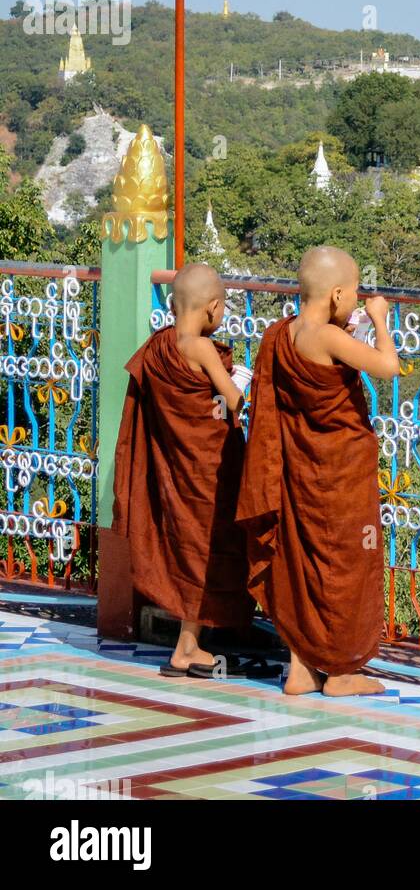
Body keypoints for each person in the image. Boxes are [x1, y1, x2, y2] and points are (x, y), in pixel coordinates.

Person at [236, 246, 399, 696]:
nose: (357, 301)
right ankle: (341, 670)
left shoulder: (279, 334)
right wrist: (380, 319)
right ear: (337, 294)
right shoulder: (328, 338)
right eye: (355, 294)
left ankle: (302, 668)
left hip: (298, 471)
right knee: (344, 564)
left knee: (300, 560)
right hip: (340, 474)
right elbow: (388, 367)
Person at [113, 262, 251, 677]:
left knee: (190, 545)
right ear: (212, 308)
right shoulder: (203, 348)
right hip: (208, 469)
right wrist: (242, 380)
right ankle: (186, 646)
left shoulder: (158, 347)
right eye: (223, 307)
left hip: (176, 466)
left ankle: (187, 643)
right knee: (208, 546)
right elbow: (231, 400)